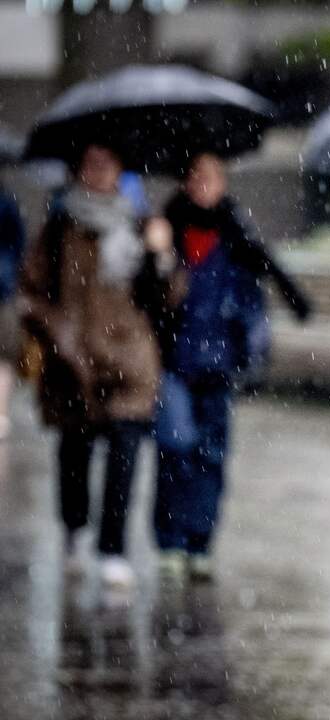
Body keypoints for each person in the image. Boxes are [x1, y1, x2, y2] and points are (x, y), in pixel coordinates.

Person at [19, 143, 179, 589]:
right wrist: (57, 331)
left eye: (108, 165)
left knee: (125, 455)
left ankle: (114, 549)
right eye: (91, 165)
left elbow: (165, 299)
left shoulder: (141, 225)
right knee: (74, 454)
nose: (99, 173)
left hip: (130, 363)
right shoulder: (58, 227)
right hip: (73, 363)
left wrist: (162, 257)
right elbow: (30, 291)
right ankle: (74, 528)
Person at [152, 152, 311, 582]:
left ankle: (200, 541)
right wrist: (161, 259)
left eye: (212, 176)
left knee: (212, 455)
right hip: (173, 362)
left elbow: (260, 284)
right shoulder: (164, 230)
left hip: (219, 362)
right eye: (196, 176)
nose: (204, 184)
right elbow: (148, 298)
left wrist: (284, 313)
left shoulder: (236, 232)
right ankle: (170, 539)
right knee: (177, 446)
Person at [0, 181, 26, 439]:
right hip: (4, 285)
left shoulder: (6, 203)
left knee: (4, 354)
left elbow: (18, 243)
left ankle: (1, 412)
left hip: (2, 289)